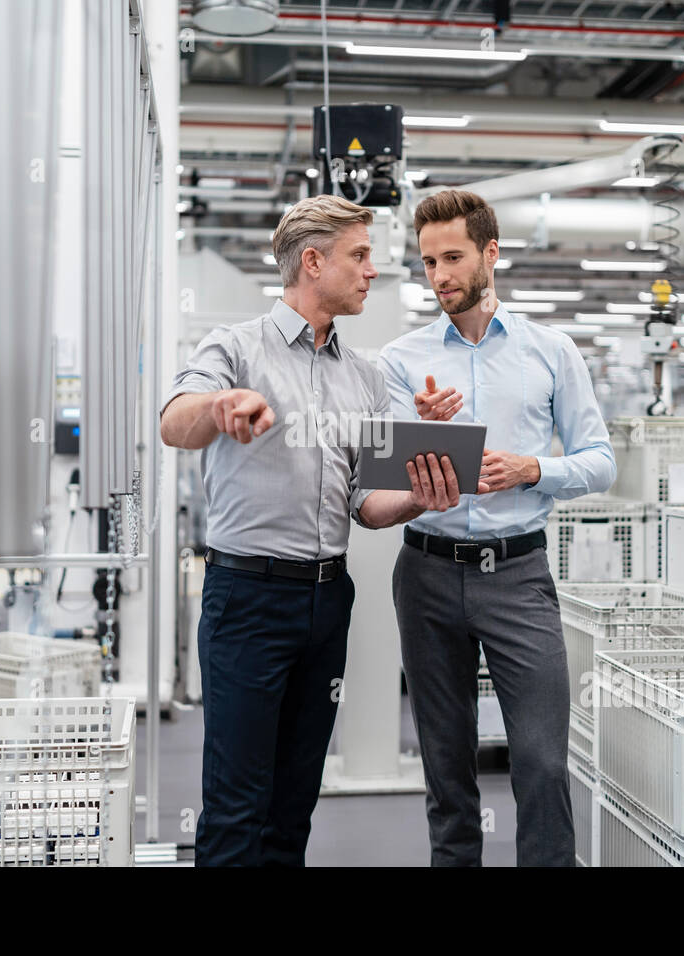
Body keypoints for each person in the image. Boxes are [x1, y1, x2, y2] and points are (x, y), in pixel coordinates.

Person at [160, 193, 469, 866]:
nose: (371, 272)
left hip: (328, 599)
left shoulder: (365, 376)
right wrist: (221, 404)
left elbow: (366, 503)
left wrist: (420, 495)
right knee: (237, 800)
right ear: (312, 261)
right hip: (247, 599)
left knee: (294, 800)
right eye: (359, 257)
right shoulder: (235, 349)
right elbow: (173, 423)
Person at [378, 189, 617, 866]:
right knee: (446, 768)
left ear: (490, 253)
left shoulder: (551, 351)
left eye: (452, 257)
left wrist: (532, 470)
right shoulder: (402, 360)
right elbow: (386, 474)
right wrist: (419, 428)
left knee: (542, 762)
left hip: (517, 575)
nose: (440, 275)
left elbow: (601, 463)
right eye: (427, 262)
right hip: (426, 573)